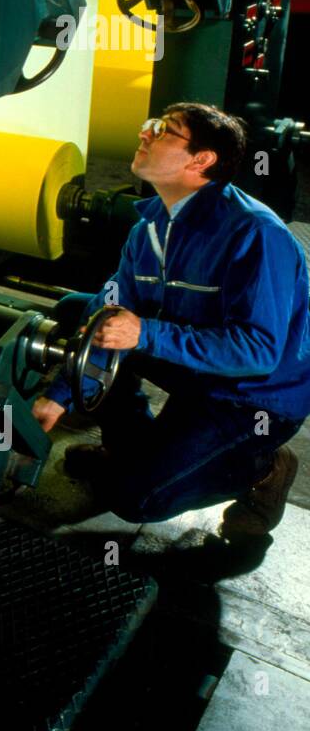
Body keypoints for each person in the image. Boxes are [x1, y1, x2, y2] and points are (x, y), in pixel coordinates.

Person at [32, 102, 306, 540]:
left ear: (201, 160)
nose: (145, 133)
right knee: (74, 309)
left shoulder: (255, 234)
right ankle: (128, 452)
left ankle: (264, 468)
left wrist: (146, 333)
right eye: (149, 126)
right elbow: (111, 309)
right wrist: (63, 394)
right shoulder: (150, 227)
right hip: (196, 368)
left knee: (135, 499)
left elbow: (258, 351)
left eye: (163, 130)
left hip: (253, 397)